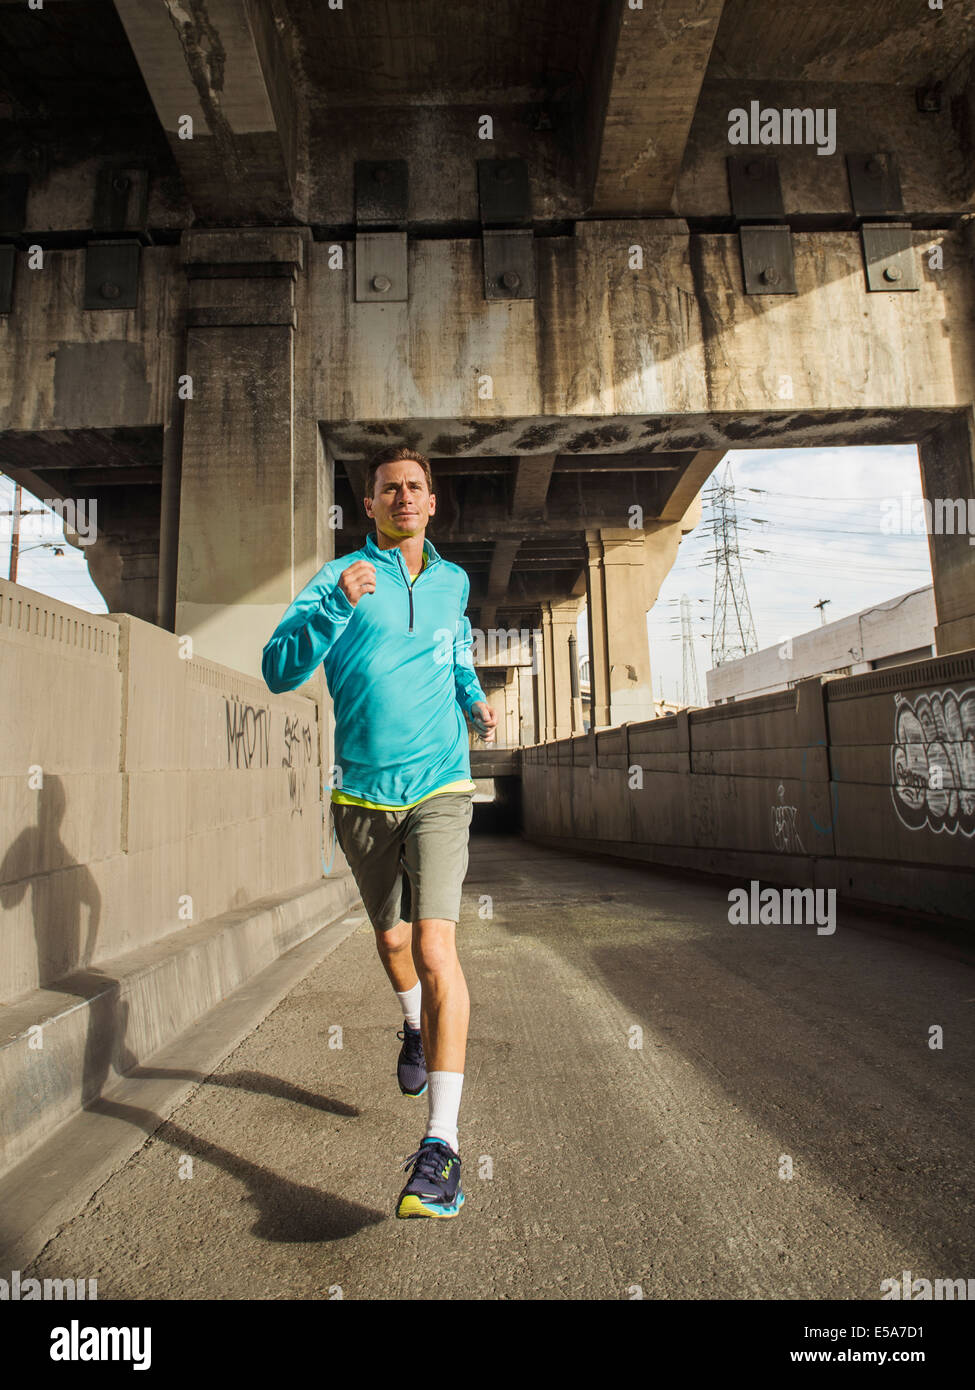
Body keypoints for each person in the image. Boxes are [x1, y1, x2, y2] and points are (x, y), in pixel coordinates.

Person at [261, 444, 498, 1219]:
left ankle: (442, 1149)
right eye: (389, 489)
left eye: (415, 488)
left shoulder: (453, 580)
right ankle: (409, 1029)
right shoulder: (338, 579)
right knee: (393, 945)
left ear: (432, 503)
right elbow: (276, 669)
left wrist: (471, 697)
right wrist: (333, 606)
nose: (403, 497)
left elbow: (455, 649)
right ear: (368, 506)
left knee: (435, 946)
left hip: (441, 782)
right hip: (361, 796)